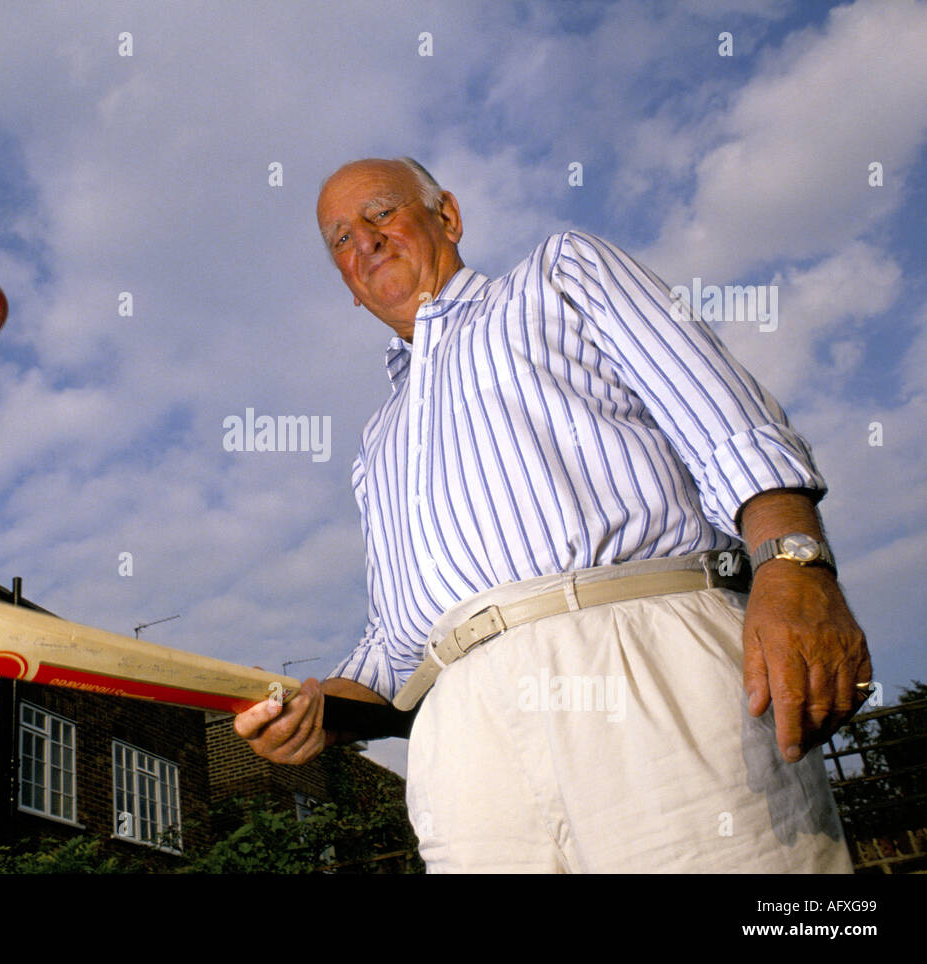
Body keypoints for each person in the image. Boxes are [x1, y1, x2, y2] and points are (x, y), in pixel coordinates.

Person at [234, 156, 870, 872]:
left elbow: (725, 422)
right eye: (341, 240)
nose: (365, 242)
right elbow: (393, 654)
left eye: (382, 214)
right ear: (346, 285)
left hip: (638, 664)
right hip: (463, 744)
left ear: (447, 216)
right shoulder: (376, 441)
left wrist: (796, 566)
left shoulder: (561, 276)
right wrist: (310, 712)